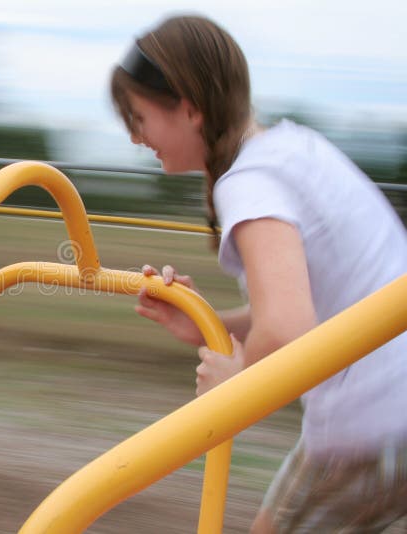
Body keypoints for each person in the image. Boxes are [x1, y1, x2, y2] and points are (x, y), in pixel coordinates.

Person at [111, 15, 407, 533]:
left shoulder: (248, 181)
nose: (137, 138)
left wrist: (239, 382)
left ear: (190, 107)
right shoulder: (289, 147)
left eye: (139, 117)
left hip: (374, 424)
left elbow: (290, 327)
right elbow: (322, 304)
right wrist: (210, 325)